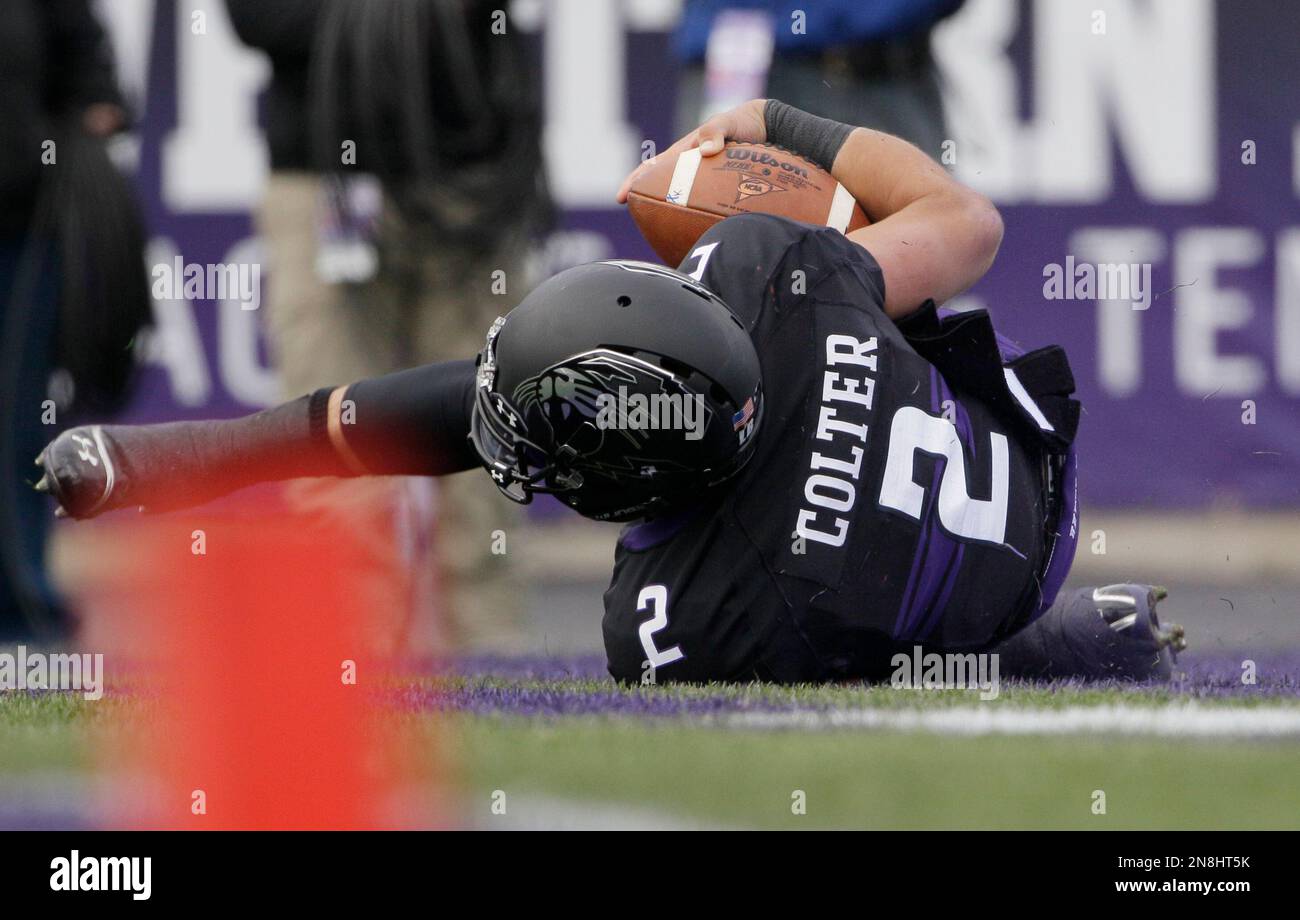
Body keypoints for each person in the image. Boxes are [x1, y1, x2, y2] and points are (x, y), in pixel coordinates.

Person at [31, 100, 1185, 682]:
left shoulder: (677, 623)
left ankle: (1057, 638)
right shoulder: (777, 273)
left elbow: (895, 663)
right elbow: (970, 225)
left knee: (871, 632)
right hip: (1025, 470)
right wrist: (777, 126)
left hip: (993, 600)